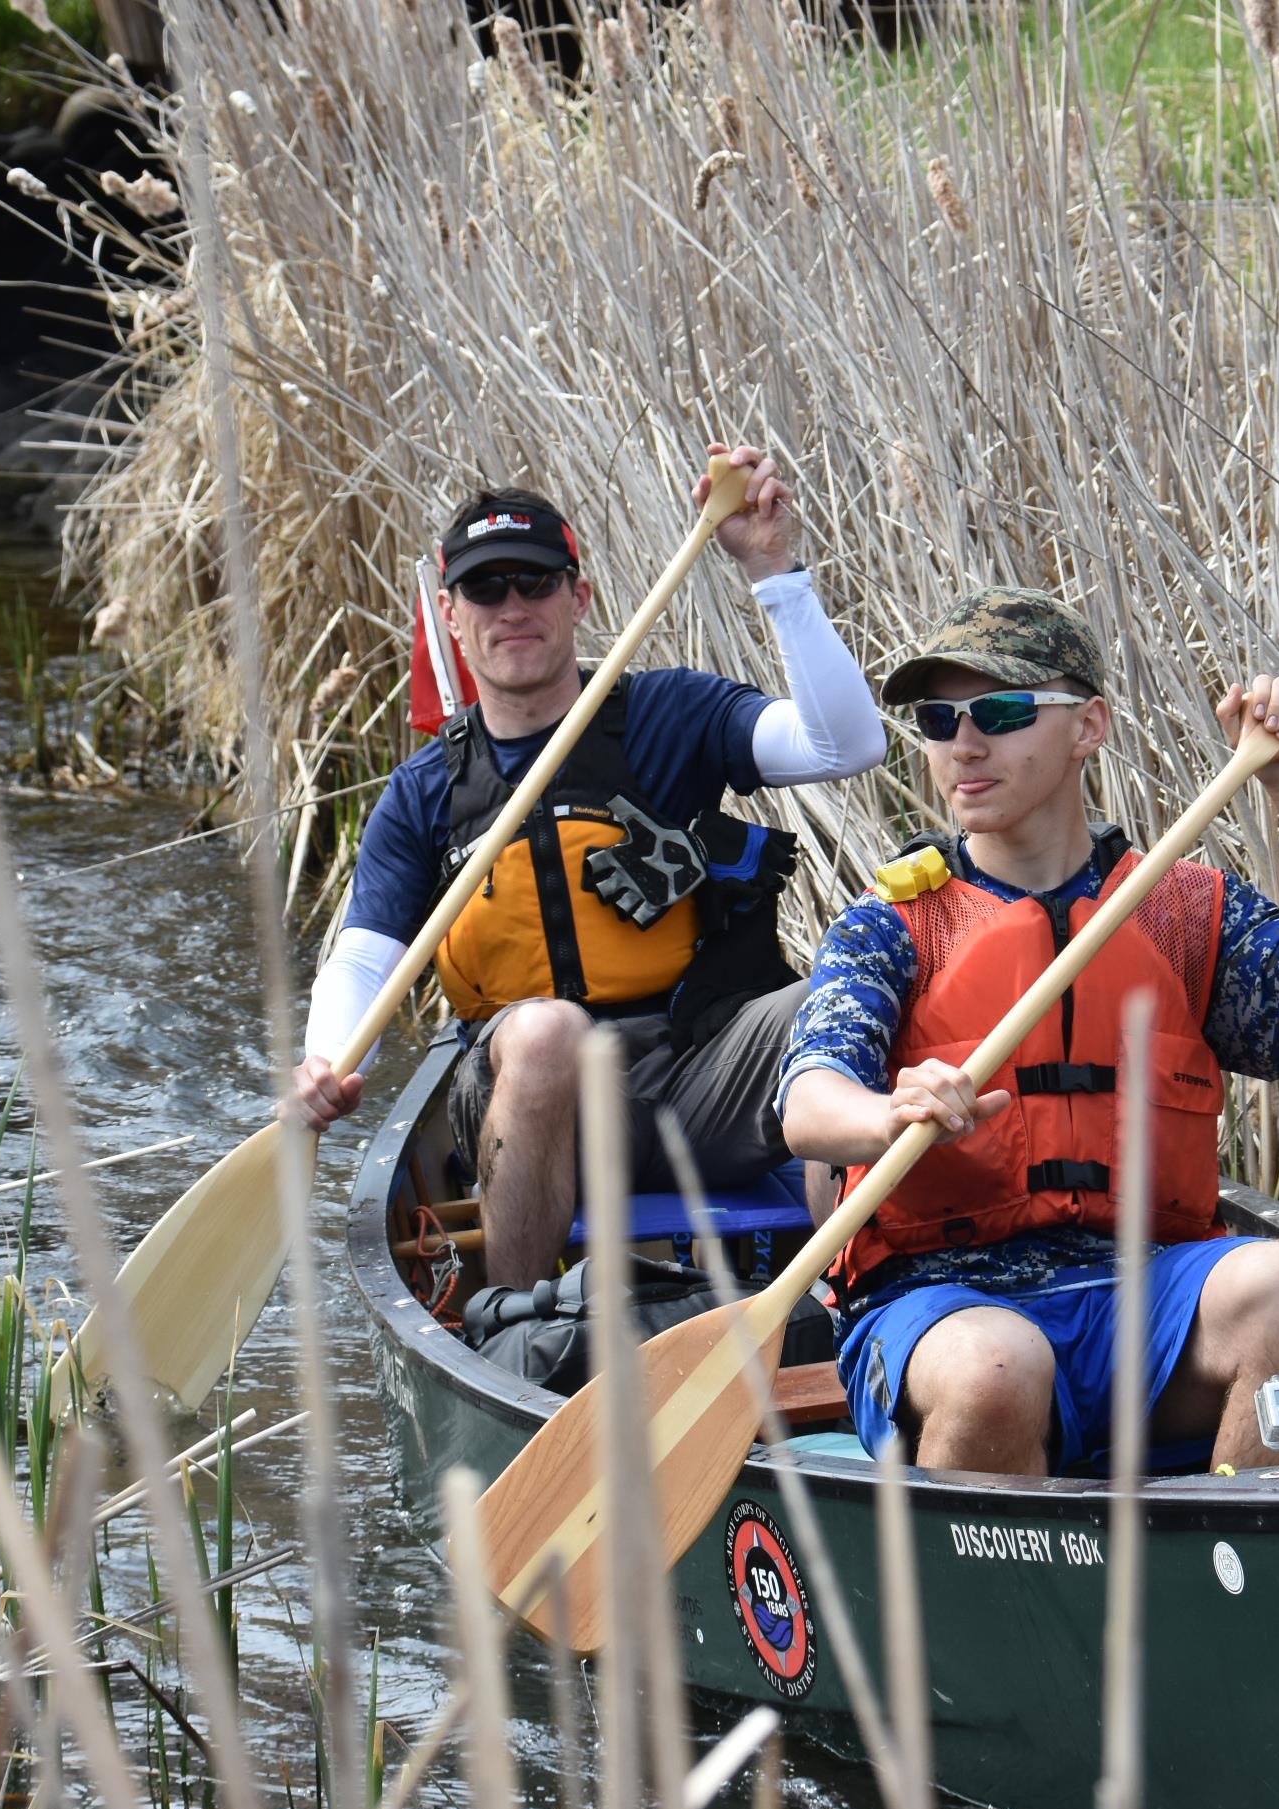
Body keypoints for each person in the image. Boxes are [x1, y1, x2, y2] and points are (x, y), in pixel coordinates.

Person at [776, 587, 1279, 1476]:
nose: (963, 744)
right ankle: (991, 1604)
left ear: (1089, 727)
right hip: (940, 1301)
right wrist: (886, 1116)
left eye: (999, 710)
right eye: (937, 719)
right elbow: (808, 1099)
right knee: (999, 1368)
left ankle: (1234, 1573)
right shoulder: (896, 922)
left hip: (1145, 1287)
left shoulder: (1184, 917)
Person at [290, 446, 884, 1299]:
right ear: (453, 618)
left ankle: (847, 1307)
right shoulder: (426, 793)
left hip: (695, 1077)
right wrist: (326, 1062)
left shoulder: (669, 715)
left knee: (845, 997)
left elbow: (849, 744)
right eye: (486, 591)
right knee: (543, 1033)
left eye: (535, 584)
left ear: (580, 599)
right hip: (533, 1107)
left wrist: (773, 570)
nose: (513, 608)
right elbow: (361, 960)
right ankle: (515, 1324)